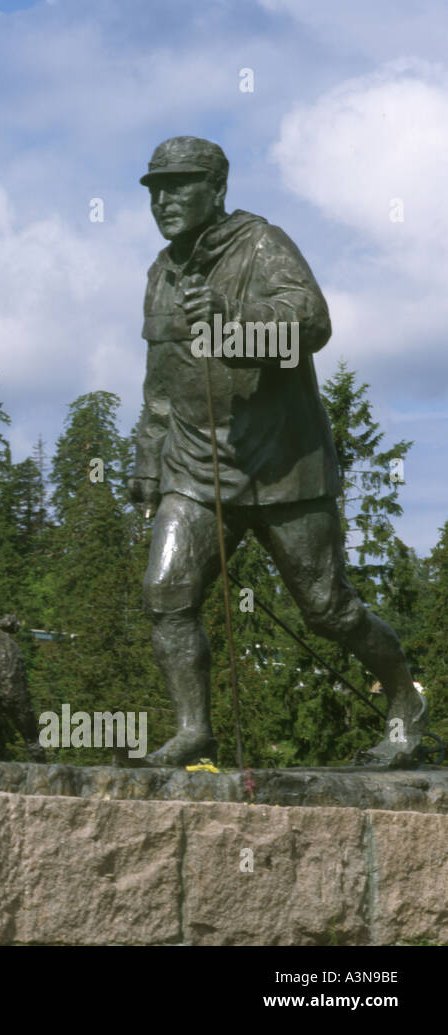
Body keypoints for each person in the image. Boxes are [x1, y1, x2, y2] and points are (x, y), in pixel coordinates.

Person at [128, 136, 425, 768]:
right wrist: (148, 462)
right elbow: (160, 383)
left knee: (327, 609)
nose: (165, 200)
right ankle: (193, 731)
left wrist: (231, 320)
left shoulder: (262, 243)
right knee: (166, 593)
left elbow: (311, 322)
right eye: (156, 188)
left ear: (218, 189)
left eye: (180, 185)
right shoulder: (162, 272)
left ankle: (404, 701)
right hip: (196, 469)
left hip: (285, 468)